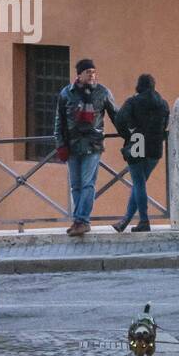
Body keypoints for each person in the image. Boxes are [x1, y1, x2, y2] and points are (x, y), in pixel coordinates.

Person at [55, 58, 120, 237]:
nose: (92, 75)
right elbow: (59, 121)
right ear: (79, 75)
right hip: (72, 145)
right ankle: (79, 220)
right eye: (88, 72)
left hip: (93, 144)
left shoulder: (102, 92)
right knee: (75, 185)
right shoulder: (66, 94)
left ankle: (81, 220)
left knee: (88, 183)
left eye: (93, 71)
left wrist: (131, 133)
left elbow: (117, 116)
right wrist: (60, 144)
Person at [113, 73, 169, 233]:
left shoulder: (133, 102)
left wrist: (128, 135)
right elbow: (166, 124)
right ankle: (125, 221)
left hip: (137, 144)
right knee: (140, 185)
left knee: (138, 184)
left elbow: (119, 120)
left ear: (139, 86)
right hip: (155, 148)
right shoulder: (163, 104)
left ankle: (144, 221)